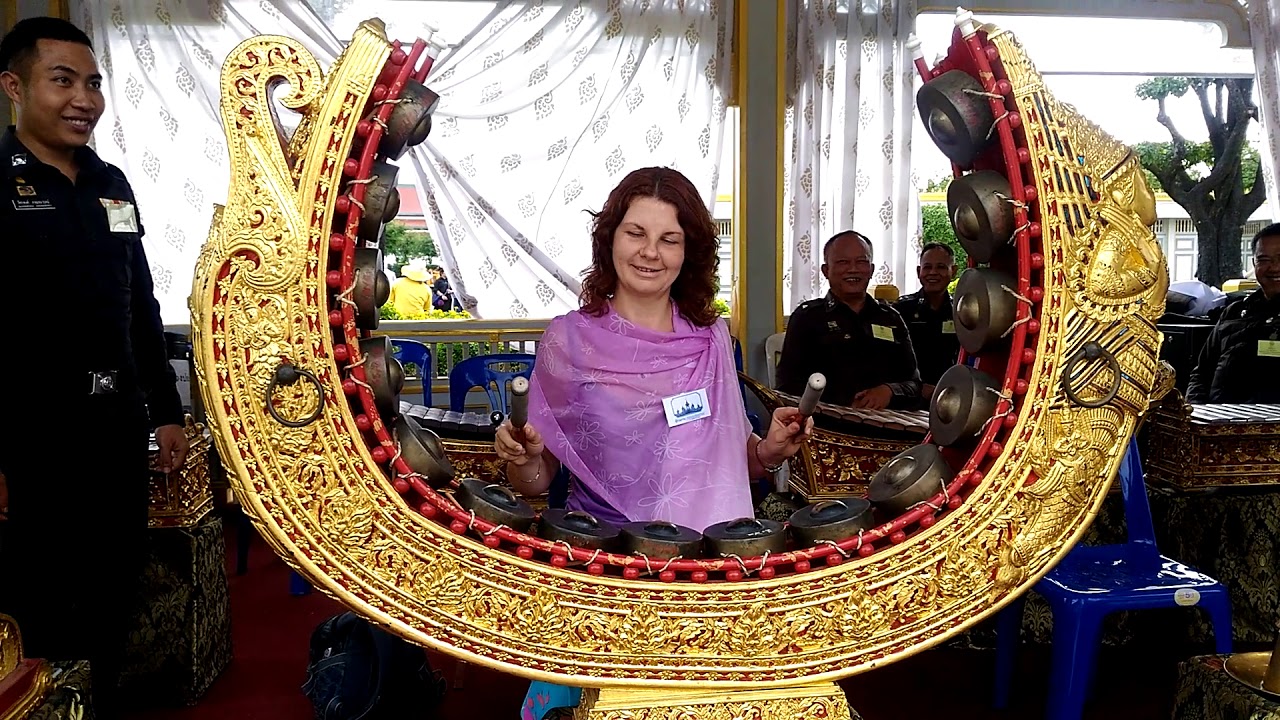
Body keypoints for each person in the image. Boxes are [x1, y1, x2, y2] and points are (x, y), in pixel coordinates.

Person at [493, 167, 812, 719]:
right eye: (635, 233)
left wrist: (770, 450)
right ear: (610, 237)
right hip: (609, 573)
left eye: (670, 239)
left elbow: (736, 457)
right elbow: (537, 481)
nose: (650, 253)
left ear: (690, 251)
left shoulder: (711, 338)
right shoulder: (568, 339)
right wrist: (522, 456)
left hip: (714, 573)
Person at [0, 17, 187, 717]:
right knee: (37, 593)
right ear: (14, 87)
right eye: (63, 80)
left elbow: (139, 298)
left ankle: (100, 700)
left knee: (115, 580)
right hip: (31, 433)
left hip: (115, 425)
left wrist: (166, 411)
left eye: (94, 83)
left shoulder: (112, 184)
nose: (85, 98)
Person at [775, 231, 922, 409]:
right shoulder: (807, 317)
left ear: (871, 269)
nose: (853, 269)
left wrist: (889, 390)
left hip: (886, 425)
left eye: (861, 262)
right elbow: (786, 387)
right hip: (828, 425)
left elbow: (914, 385)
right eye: (843, 262)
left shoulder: (890, 317)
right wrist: (844, 402)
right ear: (826, 271)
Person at [1186, 224, 1280, 403]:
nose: (1274, 268)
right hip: (1220, 426)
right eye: (1264, 260)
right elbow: (1201, 373)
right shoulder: (1234, 312)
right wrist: (1196, 413)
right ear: (1254, 264)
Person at [894, 242, 960, 396]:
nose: (933, 272)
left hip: (951, 394)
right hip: (910, 394)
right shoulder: (901, 310)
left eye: (941, 267)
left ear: (954, 271)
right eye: (927, 267)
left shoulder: (960, 312)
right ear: (919, 271)